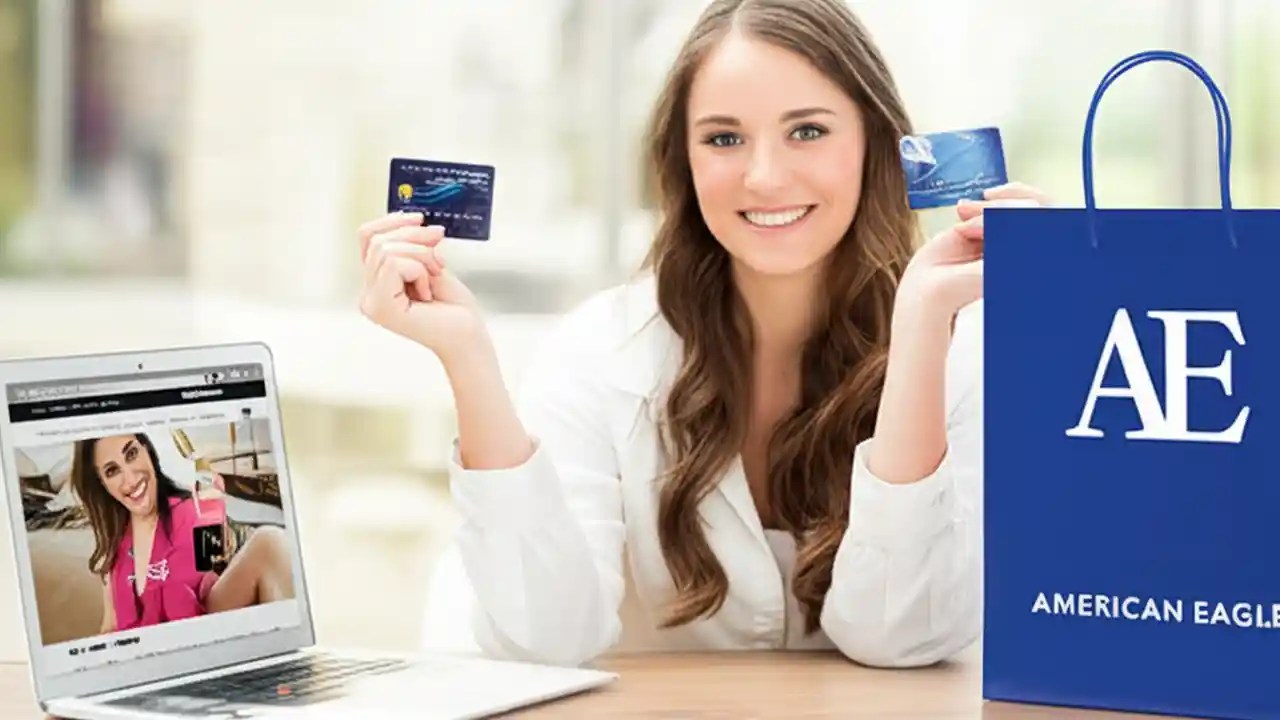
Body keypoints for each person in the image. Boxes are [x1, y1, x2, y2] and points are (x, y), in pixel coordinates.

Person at [358, 0, 1048, 668]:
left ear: (875, 143)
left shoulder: (967, 352)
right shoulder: (597, 352)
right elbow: (545, 639)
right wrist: (466, 357)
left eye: (808, 131)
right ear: (682, 161)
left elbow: (900, 636)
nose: (765, 177)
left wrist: (924, 329)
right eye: (724, 139)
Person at [70, 433, 294, 634]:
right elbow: (109, 628)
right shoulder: (112, 551)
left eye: (132, 454)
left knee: (269, 540)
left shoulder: (196, 510)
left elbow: (216, 569)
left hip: (205, 637)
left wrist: (217, 525)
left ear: (147, 450)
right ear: (102, 484)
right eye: (112, 471)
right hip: (149, 660)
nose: (130, 479)